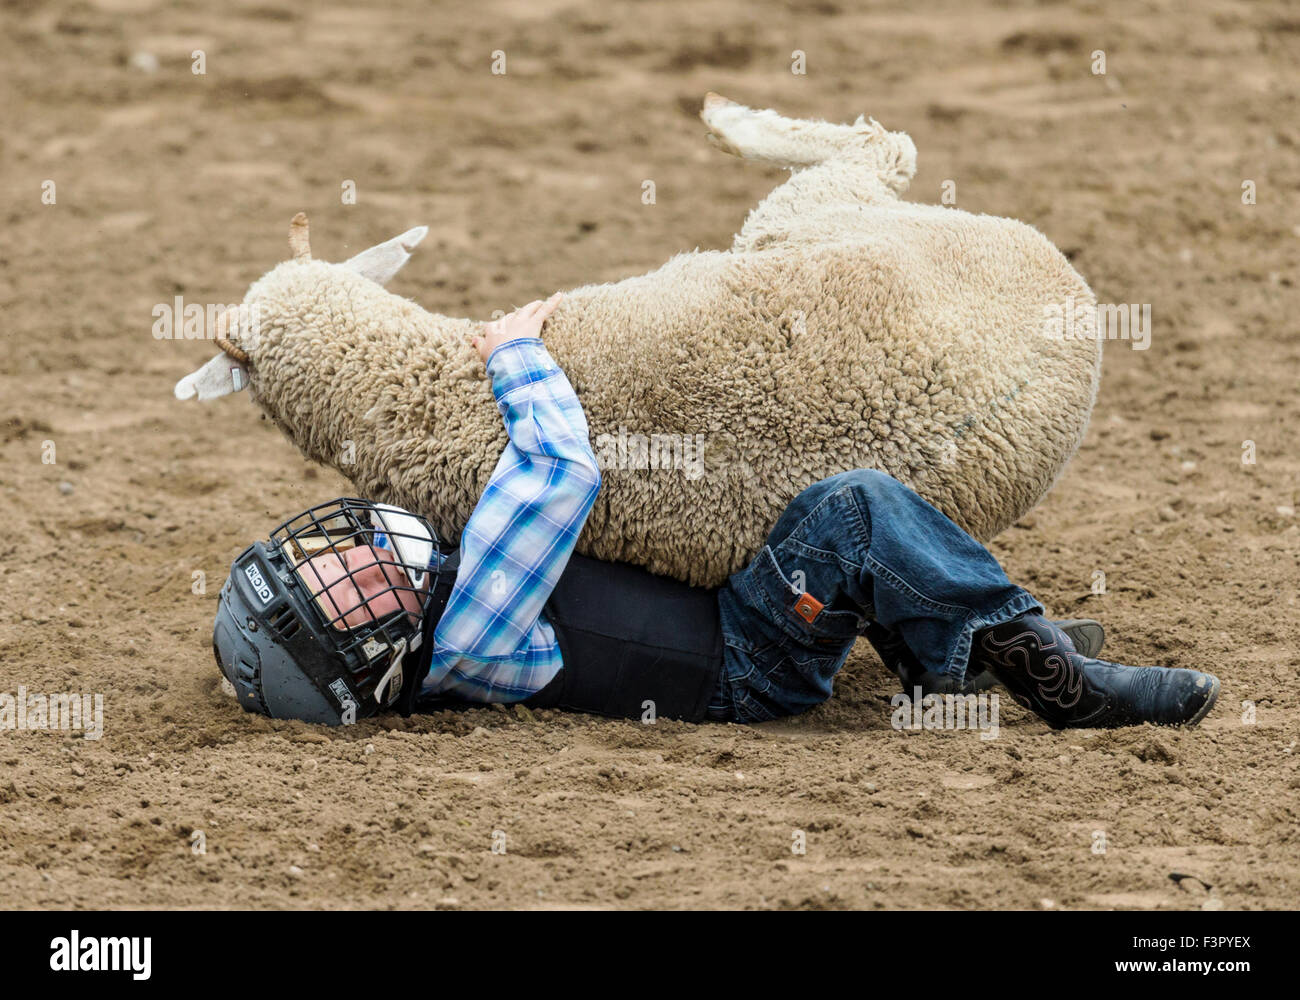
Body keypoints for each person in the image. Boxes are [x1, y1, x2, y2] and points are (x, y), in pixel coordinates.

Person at [213, 293, 1219, 730]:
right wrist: (510, 352)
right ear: (356, 663)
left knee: (833, 525)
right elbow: (560, 470)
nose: (343, 558)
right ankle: (1056, 679)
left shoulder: (443, 638)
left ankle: (945, 652)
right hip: (753, 667)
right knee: (848, 512)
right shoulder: (467, 632)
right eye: (333, 591)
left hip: (739, 639)